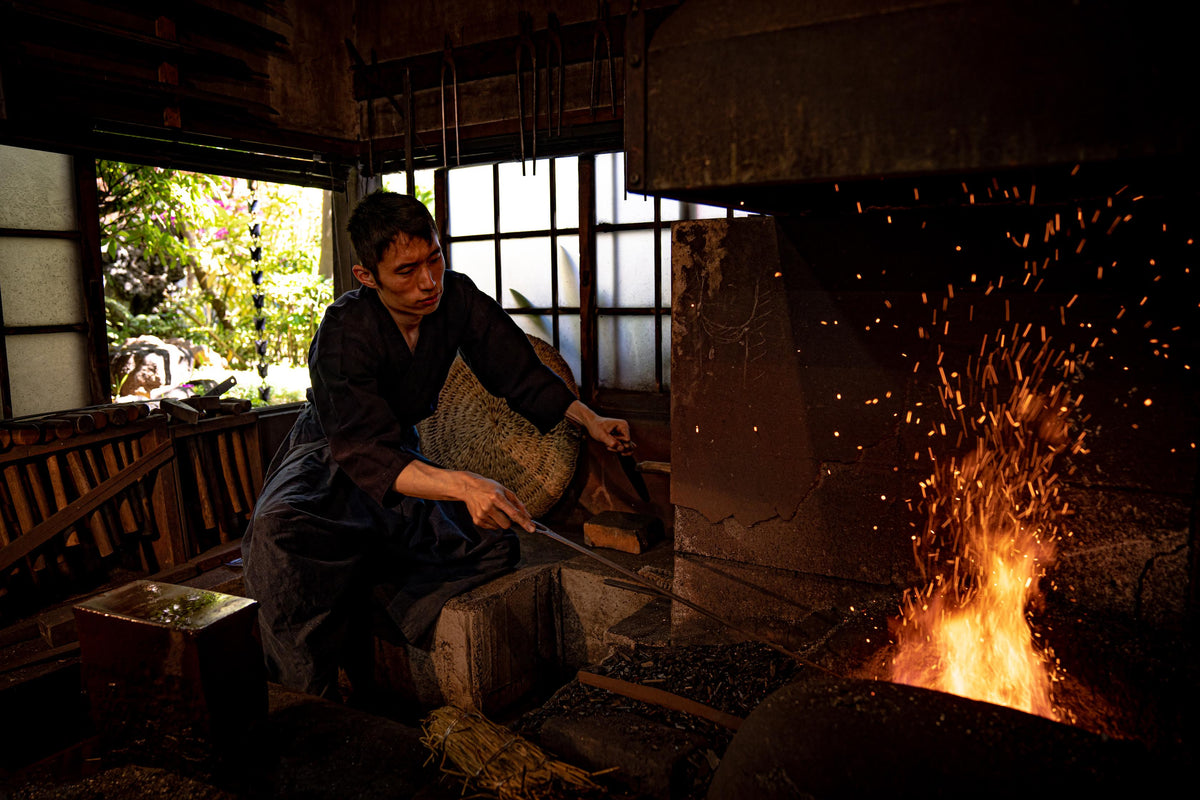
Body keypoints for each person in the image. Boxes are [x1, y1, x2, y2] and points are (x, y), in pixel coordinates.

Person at [241, 190, 633, 699]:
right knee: (276, 538)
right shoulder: (343, 333)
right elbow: (363, 450)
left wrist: (590, 419)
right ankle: (308, 703)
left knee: (492, 543)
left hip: (401, 454)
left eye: (435, 259)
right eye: (406, 271)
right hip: (331, 450)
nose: (429, 282)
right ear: (367, 276)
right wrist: (465, 484)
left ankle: (369, 592)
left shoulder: (457, 298)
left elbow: (515, 367)